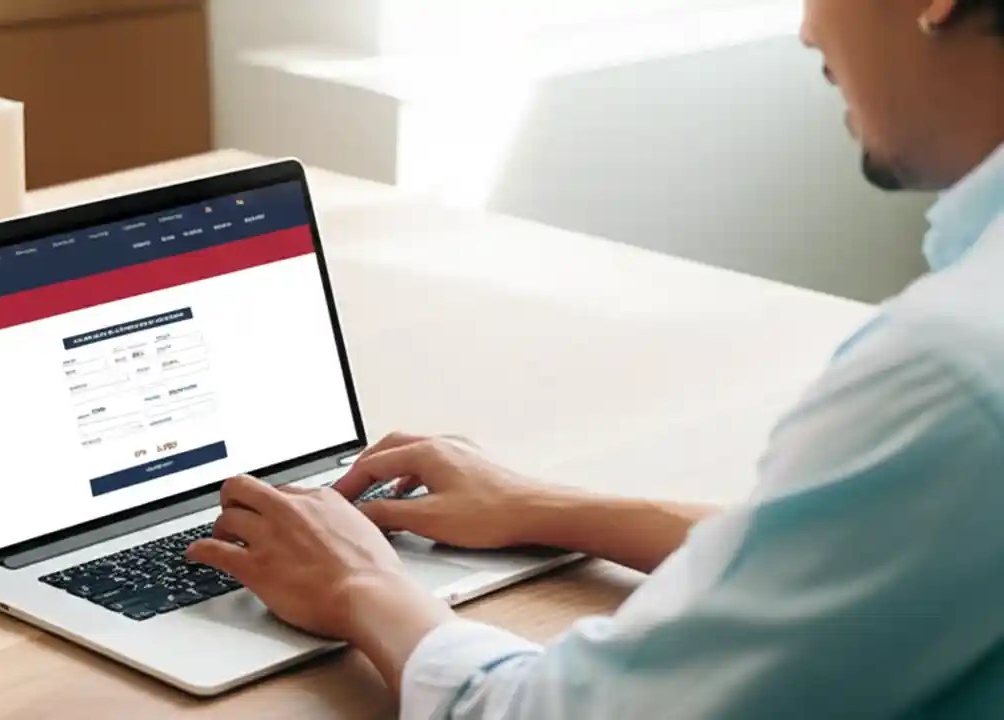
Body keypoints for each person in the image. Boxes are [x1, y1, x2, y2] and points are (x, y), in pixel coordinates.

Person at [187, 0, 1004, 716]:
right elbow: (844, 556)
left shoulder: (946, 371)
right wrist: (550, 506)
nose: (804, 26)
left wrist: (361, 584)